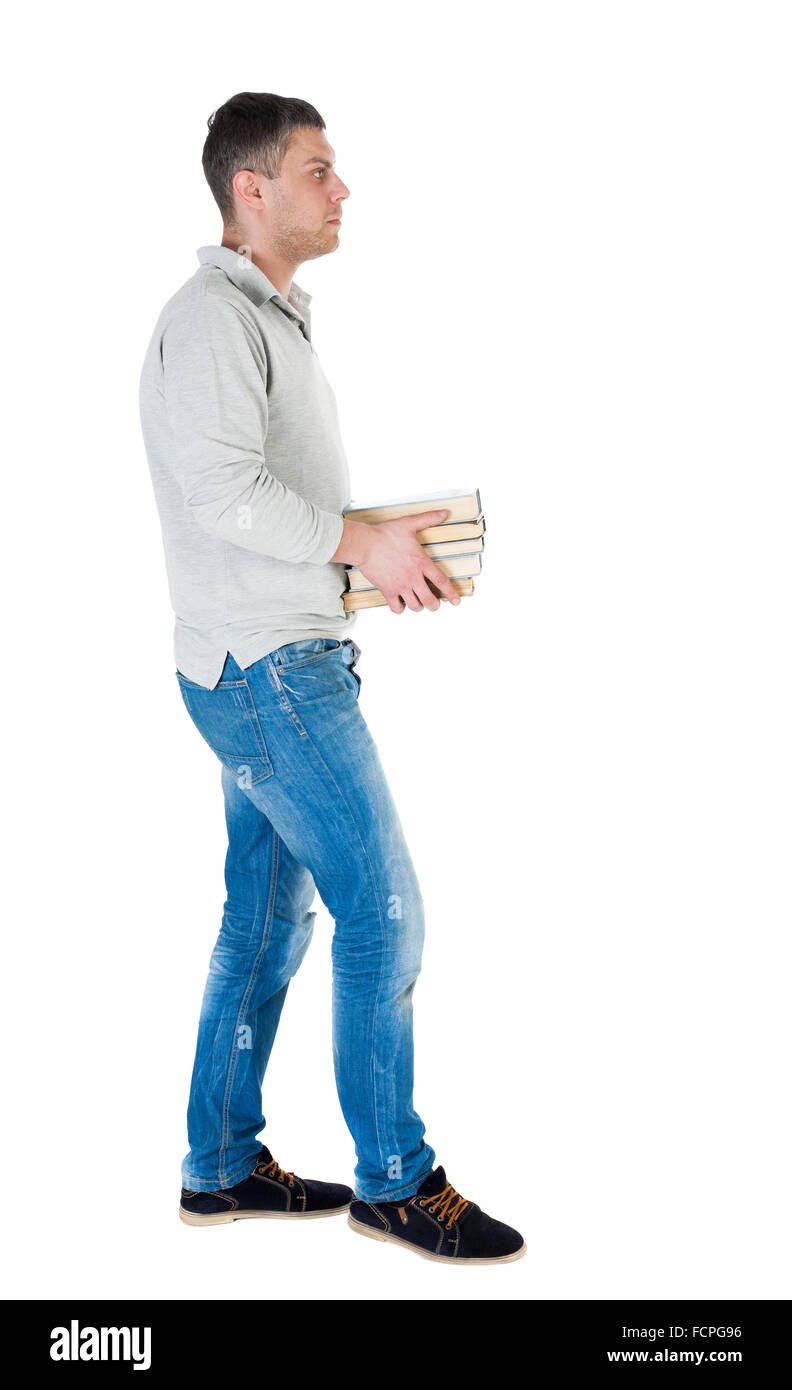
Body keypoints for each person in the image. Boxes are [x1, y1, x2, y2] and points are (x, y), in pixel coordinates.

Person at [138, 90, 525, 1264]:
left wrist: (377, 552)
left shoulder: (272, 315)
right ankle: (396, 1177)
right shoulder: (214, 316)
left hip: (266, 658)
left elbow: (262, 506)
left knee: (262, 924)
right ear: (249, 191)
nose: (341, 188)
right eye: (317, 169)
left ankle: (220, 1162)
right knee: (384, 915)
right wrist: (357, 545)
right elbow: (222, 495)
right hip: (269, 676)